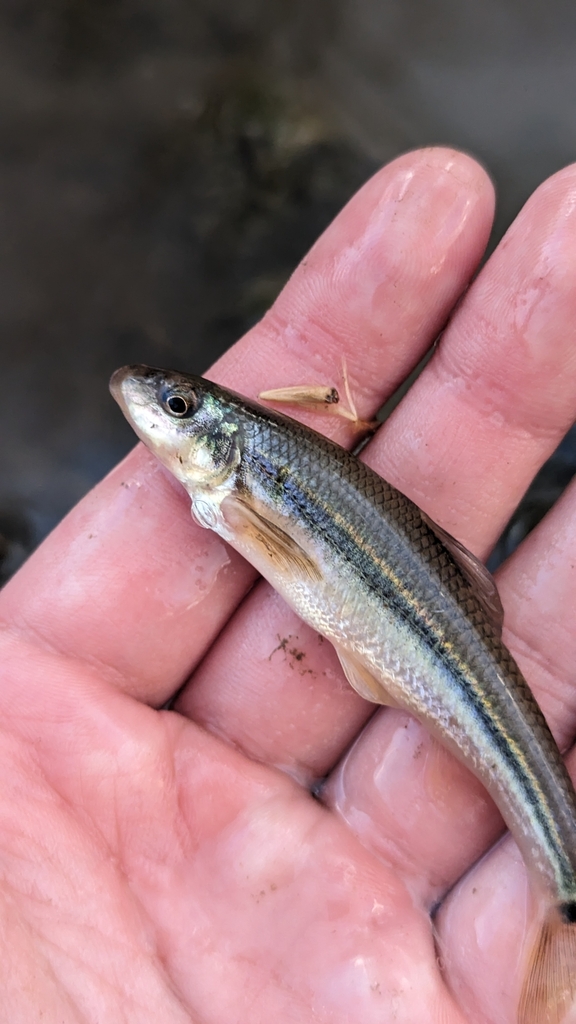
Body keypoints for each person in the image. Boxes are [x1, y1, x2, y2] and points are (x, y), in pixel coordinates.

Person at [1, 146, 575, 1023]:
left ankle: (559, 891)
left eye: (182, 410)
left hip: (430, 633)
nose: (157, 410)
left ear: (225, 445)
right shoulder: (237, 480)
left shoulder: (243, 479)